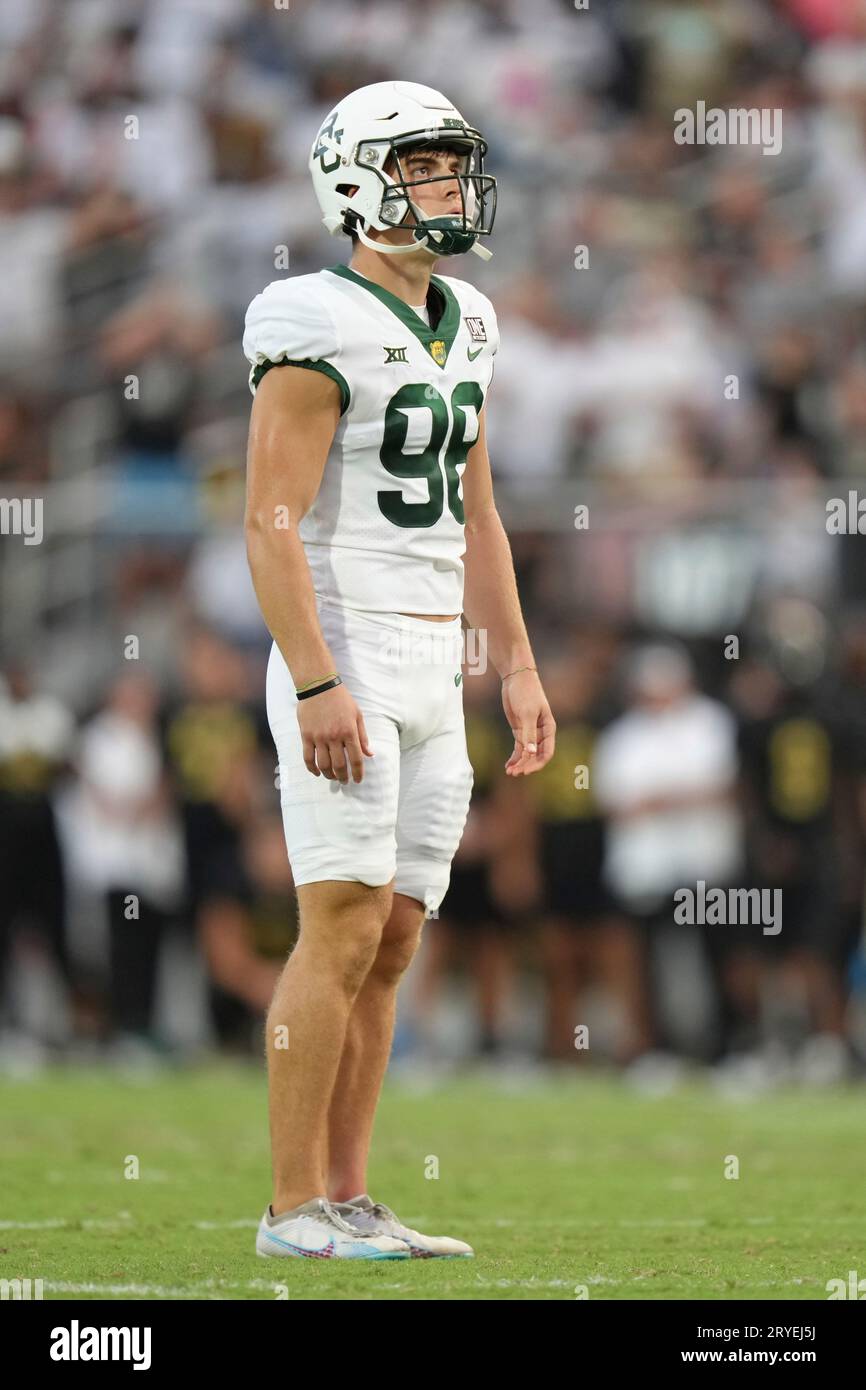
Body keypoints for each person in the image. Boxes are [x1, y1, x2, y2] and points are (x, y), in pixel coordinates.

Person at [243, 80, 555, 1260]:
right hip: (350, 643)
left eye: (447, 165)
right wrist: (316, 678)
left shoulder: (468, 316)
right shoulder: (308, 314)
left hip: (437, 658)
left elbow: (479, 512)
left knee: (395, 936)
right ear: (358, 181)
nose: (448, 186)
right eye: (424, 166)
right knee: (336, 925)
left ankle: (350, 1194)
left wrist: (515, 665)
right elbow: (270, 519)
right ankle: (286, 1210)